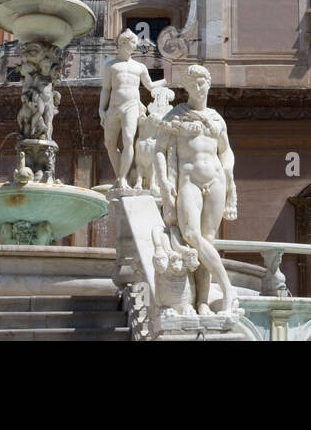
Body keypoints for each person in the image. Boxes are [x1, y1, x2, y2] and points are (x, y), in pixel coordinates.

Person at [154, 64, 238, 314]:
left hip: (216, 181)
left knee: (208, 239)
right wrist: (165, 181)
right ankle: (228, 288)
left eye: (202, 83)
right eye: (194, 85)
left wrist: (229, 172)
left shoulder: (216, 118)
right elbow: (159, 149)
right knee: (191, 235)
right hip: (188, 181)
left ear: (209, 85)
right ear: (187, 88)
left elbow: (226, 150)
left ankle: (202, 301)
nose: (199, 88)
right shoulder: (177, 115)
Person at [98, 29, 156, 188]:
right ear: (123, 43)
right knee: (109, 143)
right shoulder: (111, 66)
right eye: (133, 43)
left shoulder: (140, 67)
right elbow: (106, 89)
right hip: (113, 106)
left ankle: (122, 178)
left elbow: (150, 86)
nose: (135, 46)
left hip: (132, 105)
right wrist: (101, 109)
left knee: (129, 140)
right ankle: (120, 176)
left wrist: (165, 82)